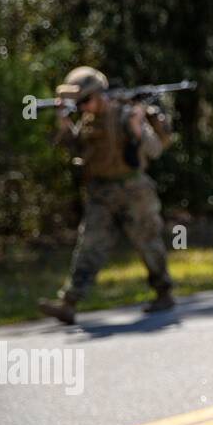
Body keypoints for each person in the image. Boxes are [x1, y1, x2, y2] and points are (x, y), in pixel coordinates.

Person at [38, 67, 175, 323]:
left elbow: (155, 150)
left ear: (99, 95)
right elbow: (74, 147)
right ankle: (69, 302)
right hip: (101, 190)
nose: (83, 108)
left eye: (85, 101)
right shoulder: (88, 121)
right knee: (89, 244)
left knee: (148, 241)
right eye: (78, 104)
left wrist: (137, 127)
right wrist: (63, 122)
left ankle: (163, 291)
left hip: (134, 189)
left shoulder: (125, 114)